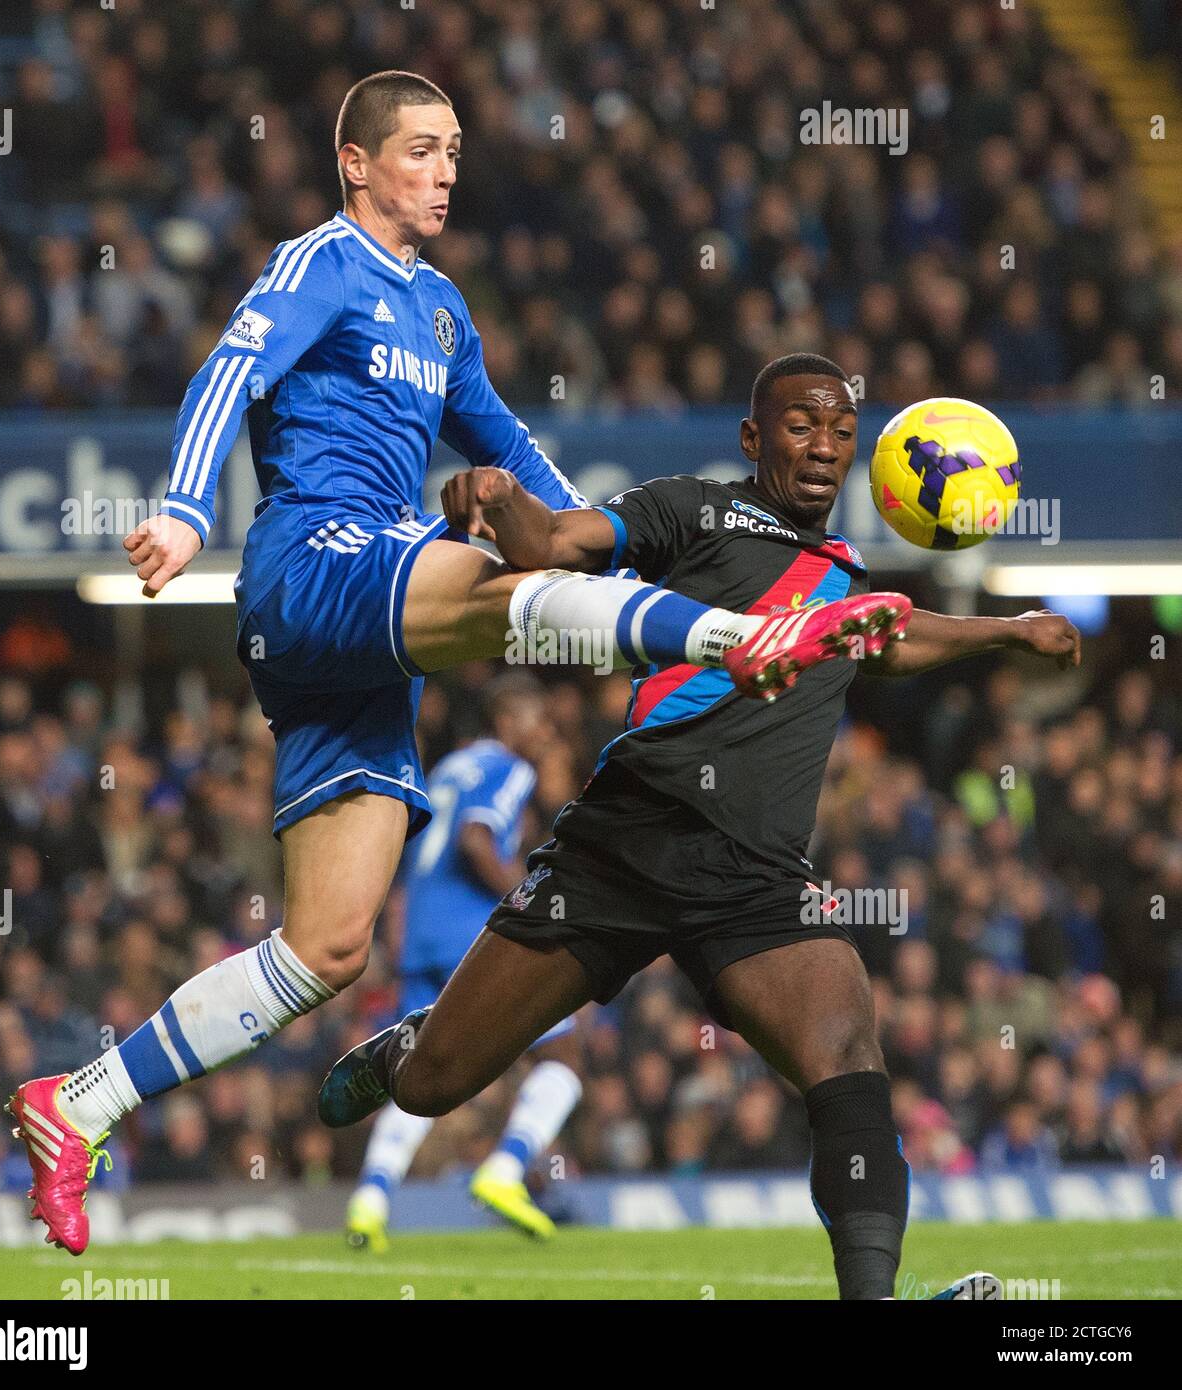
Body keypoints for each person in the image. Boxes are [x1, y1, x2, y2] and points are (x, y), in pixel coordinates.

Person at [9, 74, 899, 1257]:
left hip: (359, 647)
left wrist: (596, 533)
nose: (442, 171)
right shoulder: (318, 262)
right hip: (317, 556)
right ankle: (743, 638)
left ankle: (81, 1103)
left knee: (327, 947)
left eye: (454, 151)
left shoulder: (439, 311)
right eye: (420, 150)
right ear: (356, 163)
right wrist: (181, 508)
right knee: (497, 588)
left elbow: (503, 437)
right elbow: (227, 370)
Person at [318, 352, 1081, 1300]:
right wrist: (496, 495)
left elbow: (889, 632)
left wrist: (1006, 629)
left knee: (847, 1060)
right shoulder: (694, 509)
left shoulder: (843, 577)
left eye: (841, 432)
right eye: (801, 426)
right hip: (625, 843)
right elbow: (556, 543)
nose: (824, 447)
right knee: (435, 1084)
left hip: (755, 880)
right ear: (754, 439)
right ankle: (405, 1045)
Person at [346, 674, 582, 1251]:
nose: (546, 735)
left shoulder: (451, 766)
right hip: (469, 934)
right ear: (507, 722)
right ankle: (505, 1171)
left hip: (421, 933)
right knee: (565, 1054)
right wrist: (529, 904)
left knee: (423, 1068)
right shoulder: (508, 767)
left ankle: (371, 1197)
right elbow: (476, 840)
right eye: (538, 723)